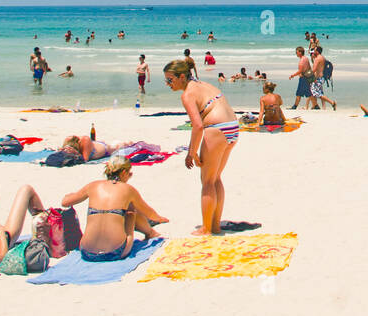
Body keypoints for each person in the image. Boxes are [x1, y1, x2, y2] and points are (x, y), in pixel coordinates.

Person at [165, 58, 238, 236]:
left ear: (182, 76)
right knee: (215, 178)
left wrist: (191, 153)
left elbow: (197, 126)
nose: (168, 84)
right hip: (233, 126)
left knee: (207, 181)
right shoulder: (203, 84)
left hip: (217, 129)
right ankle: (214, 225)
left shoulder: (188, 94)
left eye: (170, 80)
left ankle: (206, 228)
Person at [61, 157, 166, 261]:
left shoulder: (93, 186)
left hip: (87, 252)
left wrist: (69, 195)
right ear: (124, 172)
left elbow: (65, 203)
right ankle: (150, 233)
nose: (130, 176)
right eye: (130, 173)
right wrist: (161, 219)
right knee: (131, 210)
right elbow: (150, 214)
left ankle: (149, 232)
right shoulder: (128, 190)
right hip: (116, 252)